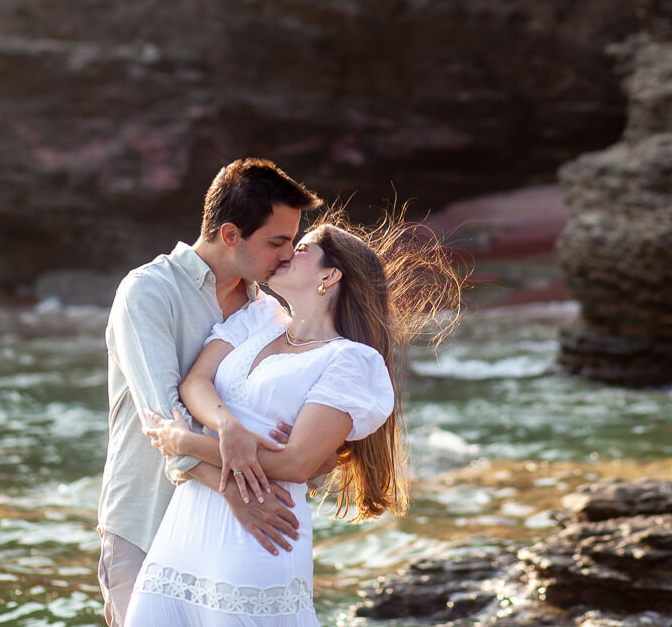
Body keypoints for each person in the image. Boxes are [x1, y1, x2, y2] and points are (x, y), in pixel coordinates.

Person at [124, 212, 461, 627]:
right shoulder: (259, 318)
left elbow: (296, 463)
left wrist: (187, 444)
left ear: (330, 275)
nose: (285, 254)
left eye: (301, 250)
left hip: (257, 537)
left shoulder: (350, 360)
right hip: (183, 531)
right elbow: (197, 382)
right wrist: (229, 427)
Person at [98, 157, 323, 627]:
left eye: (292, 243)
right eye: (276, 243)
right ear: (229, 235)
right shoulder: (148, 291)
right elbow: (162, 419)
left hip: (230, 538)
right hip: (149, 519)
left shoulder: (265, 309)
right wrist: (241, 496)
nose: (286, 257)